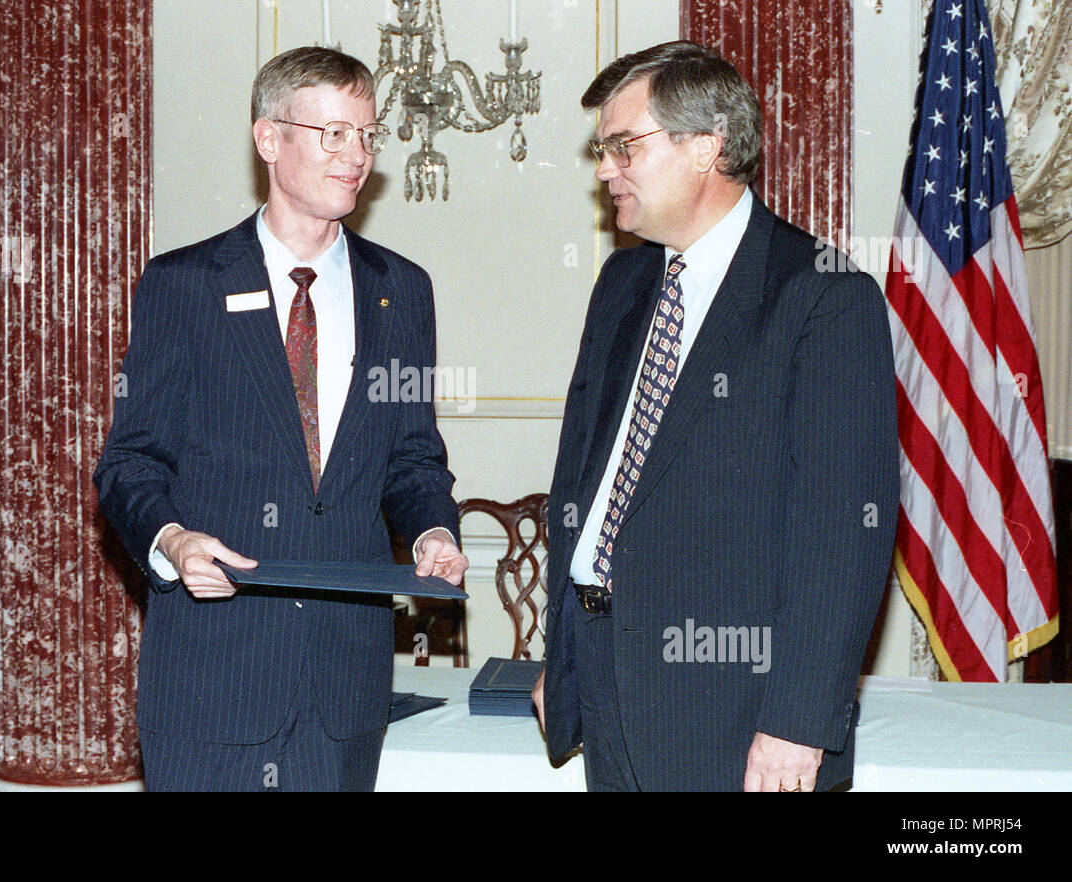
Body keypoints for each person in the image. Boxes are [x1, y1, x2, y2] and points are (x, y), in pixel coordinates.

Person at [94, 46, 467, 792]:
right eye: (333, 133)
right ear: (270, 138)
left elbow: (413, 459)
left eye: (366, 135)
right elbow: (129, 464)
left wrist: (432, 529)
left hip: (345, 687)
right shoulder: (184, 286)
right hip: (214, 681)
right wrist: (172, 537)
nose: (356, 155)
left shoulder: (403, 292)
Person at [531, 40, 899, 791]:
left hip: (734, 712)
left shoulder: (821, 296)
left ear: (706, 146)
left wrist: (799, 723)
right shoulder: (623, 282)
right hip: (606, 682)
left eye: (623, 146)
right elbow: (586, 485)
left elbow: (843, 532)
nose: (604, 170)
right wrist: (563, 661)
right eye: (602, 150)